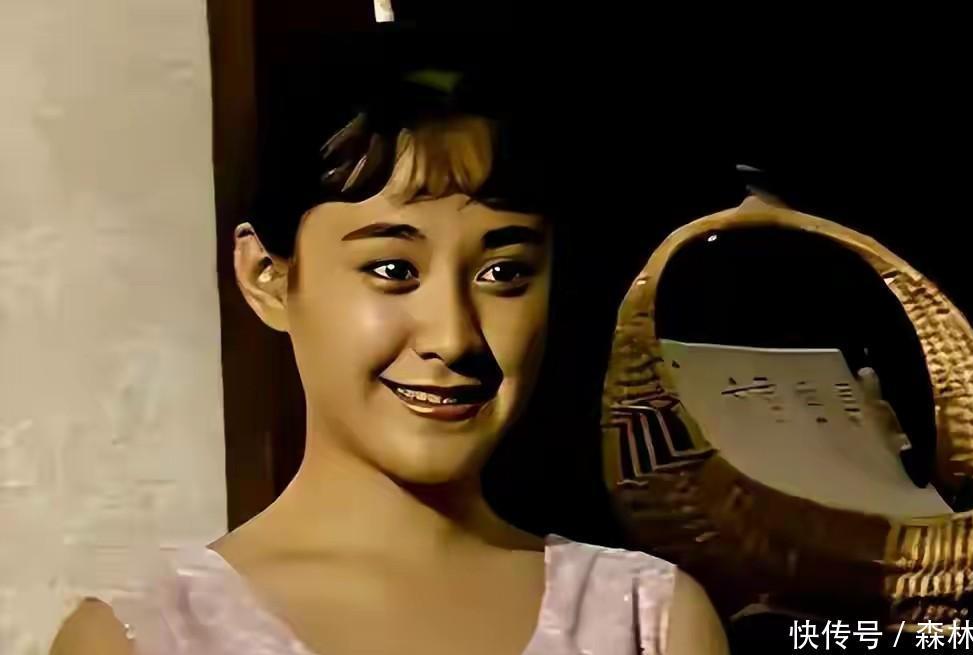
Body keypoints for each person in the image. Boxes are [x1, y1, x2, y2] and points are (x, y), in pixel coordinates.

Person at [50, 69, 729, 655]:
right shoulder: (144, 636)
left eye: (503, 273)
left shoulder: (648, 620)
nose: (454, 336)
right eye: (393, 269)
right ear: (267, 276)